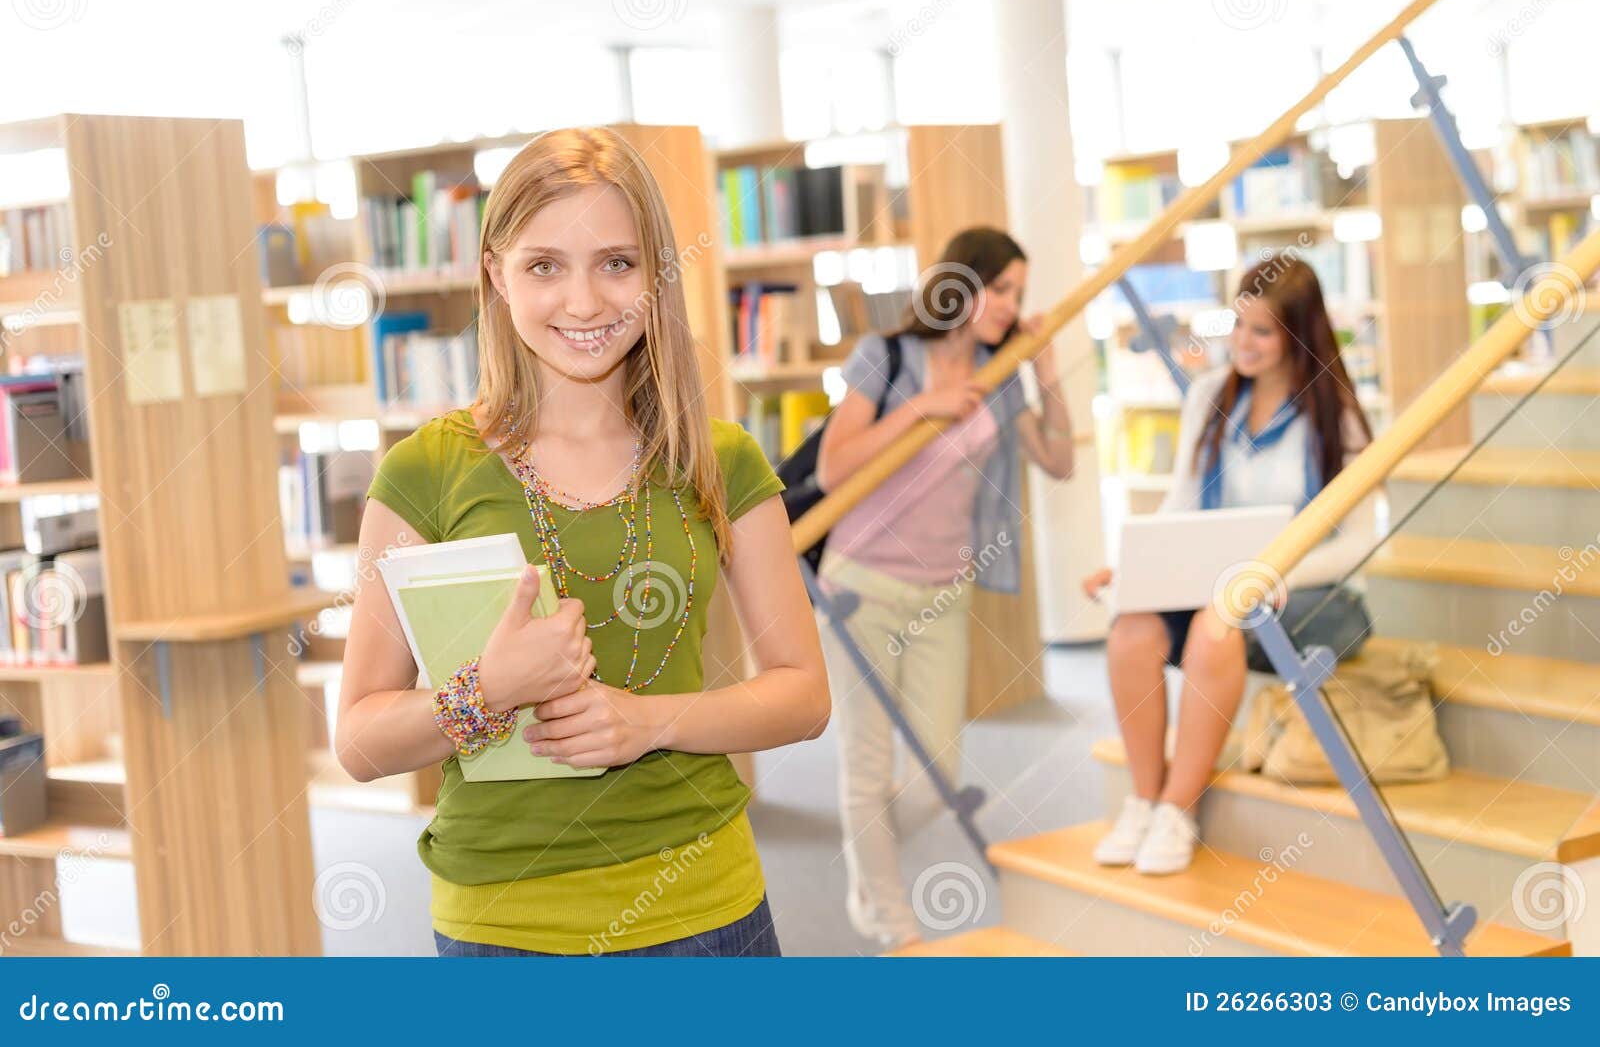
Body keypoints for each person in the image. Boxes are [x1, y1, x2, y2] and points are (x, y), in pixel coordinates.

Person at [336, 127, 830, 957]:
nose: (585, 302)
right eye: (544, 266)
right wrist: (487, 689)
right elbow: (357, 740)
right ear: (494, 273)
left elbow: (804, 693)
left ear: (657, 274)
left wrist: (649, 721)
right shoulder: (424, 471)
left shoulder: (720, 459)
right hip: (504, 927)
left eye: (617, 263)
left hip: (705, 908)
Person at [814, 226, 1077, 950]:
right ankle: (893, 920)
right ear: (960, 284)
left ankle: (867, 866)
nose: (1010, 304)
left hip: (941, 592)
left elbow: (1058, 461)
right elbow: (836, 468)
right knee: (865, 767)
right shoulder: (889, 356)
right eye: (1000, 288)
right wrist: (923, 408)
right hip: (861, 583)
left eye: (1019, 292)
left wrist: (1046, 374)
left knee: (937, 774)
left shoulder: (1001, 370)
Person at [1082, 253, 1378, 875]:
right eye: (1238, 325)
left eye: (1262, 331)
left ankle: (1177, 811)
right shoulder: (1211, 397)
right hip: (1219, 587)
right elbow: (1180, 500)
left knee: (1219, 624)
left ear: (1299, 336)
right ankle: (1143, 798)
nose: (1243, 343)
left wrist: (1274, 575)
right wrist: (1132, 567)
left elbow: (1358, 542)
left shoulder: (1336, 417)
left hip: (1310, 598)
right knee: (1133, 629)